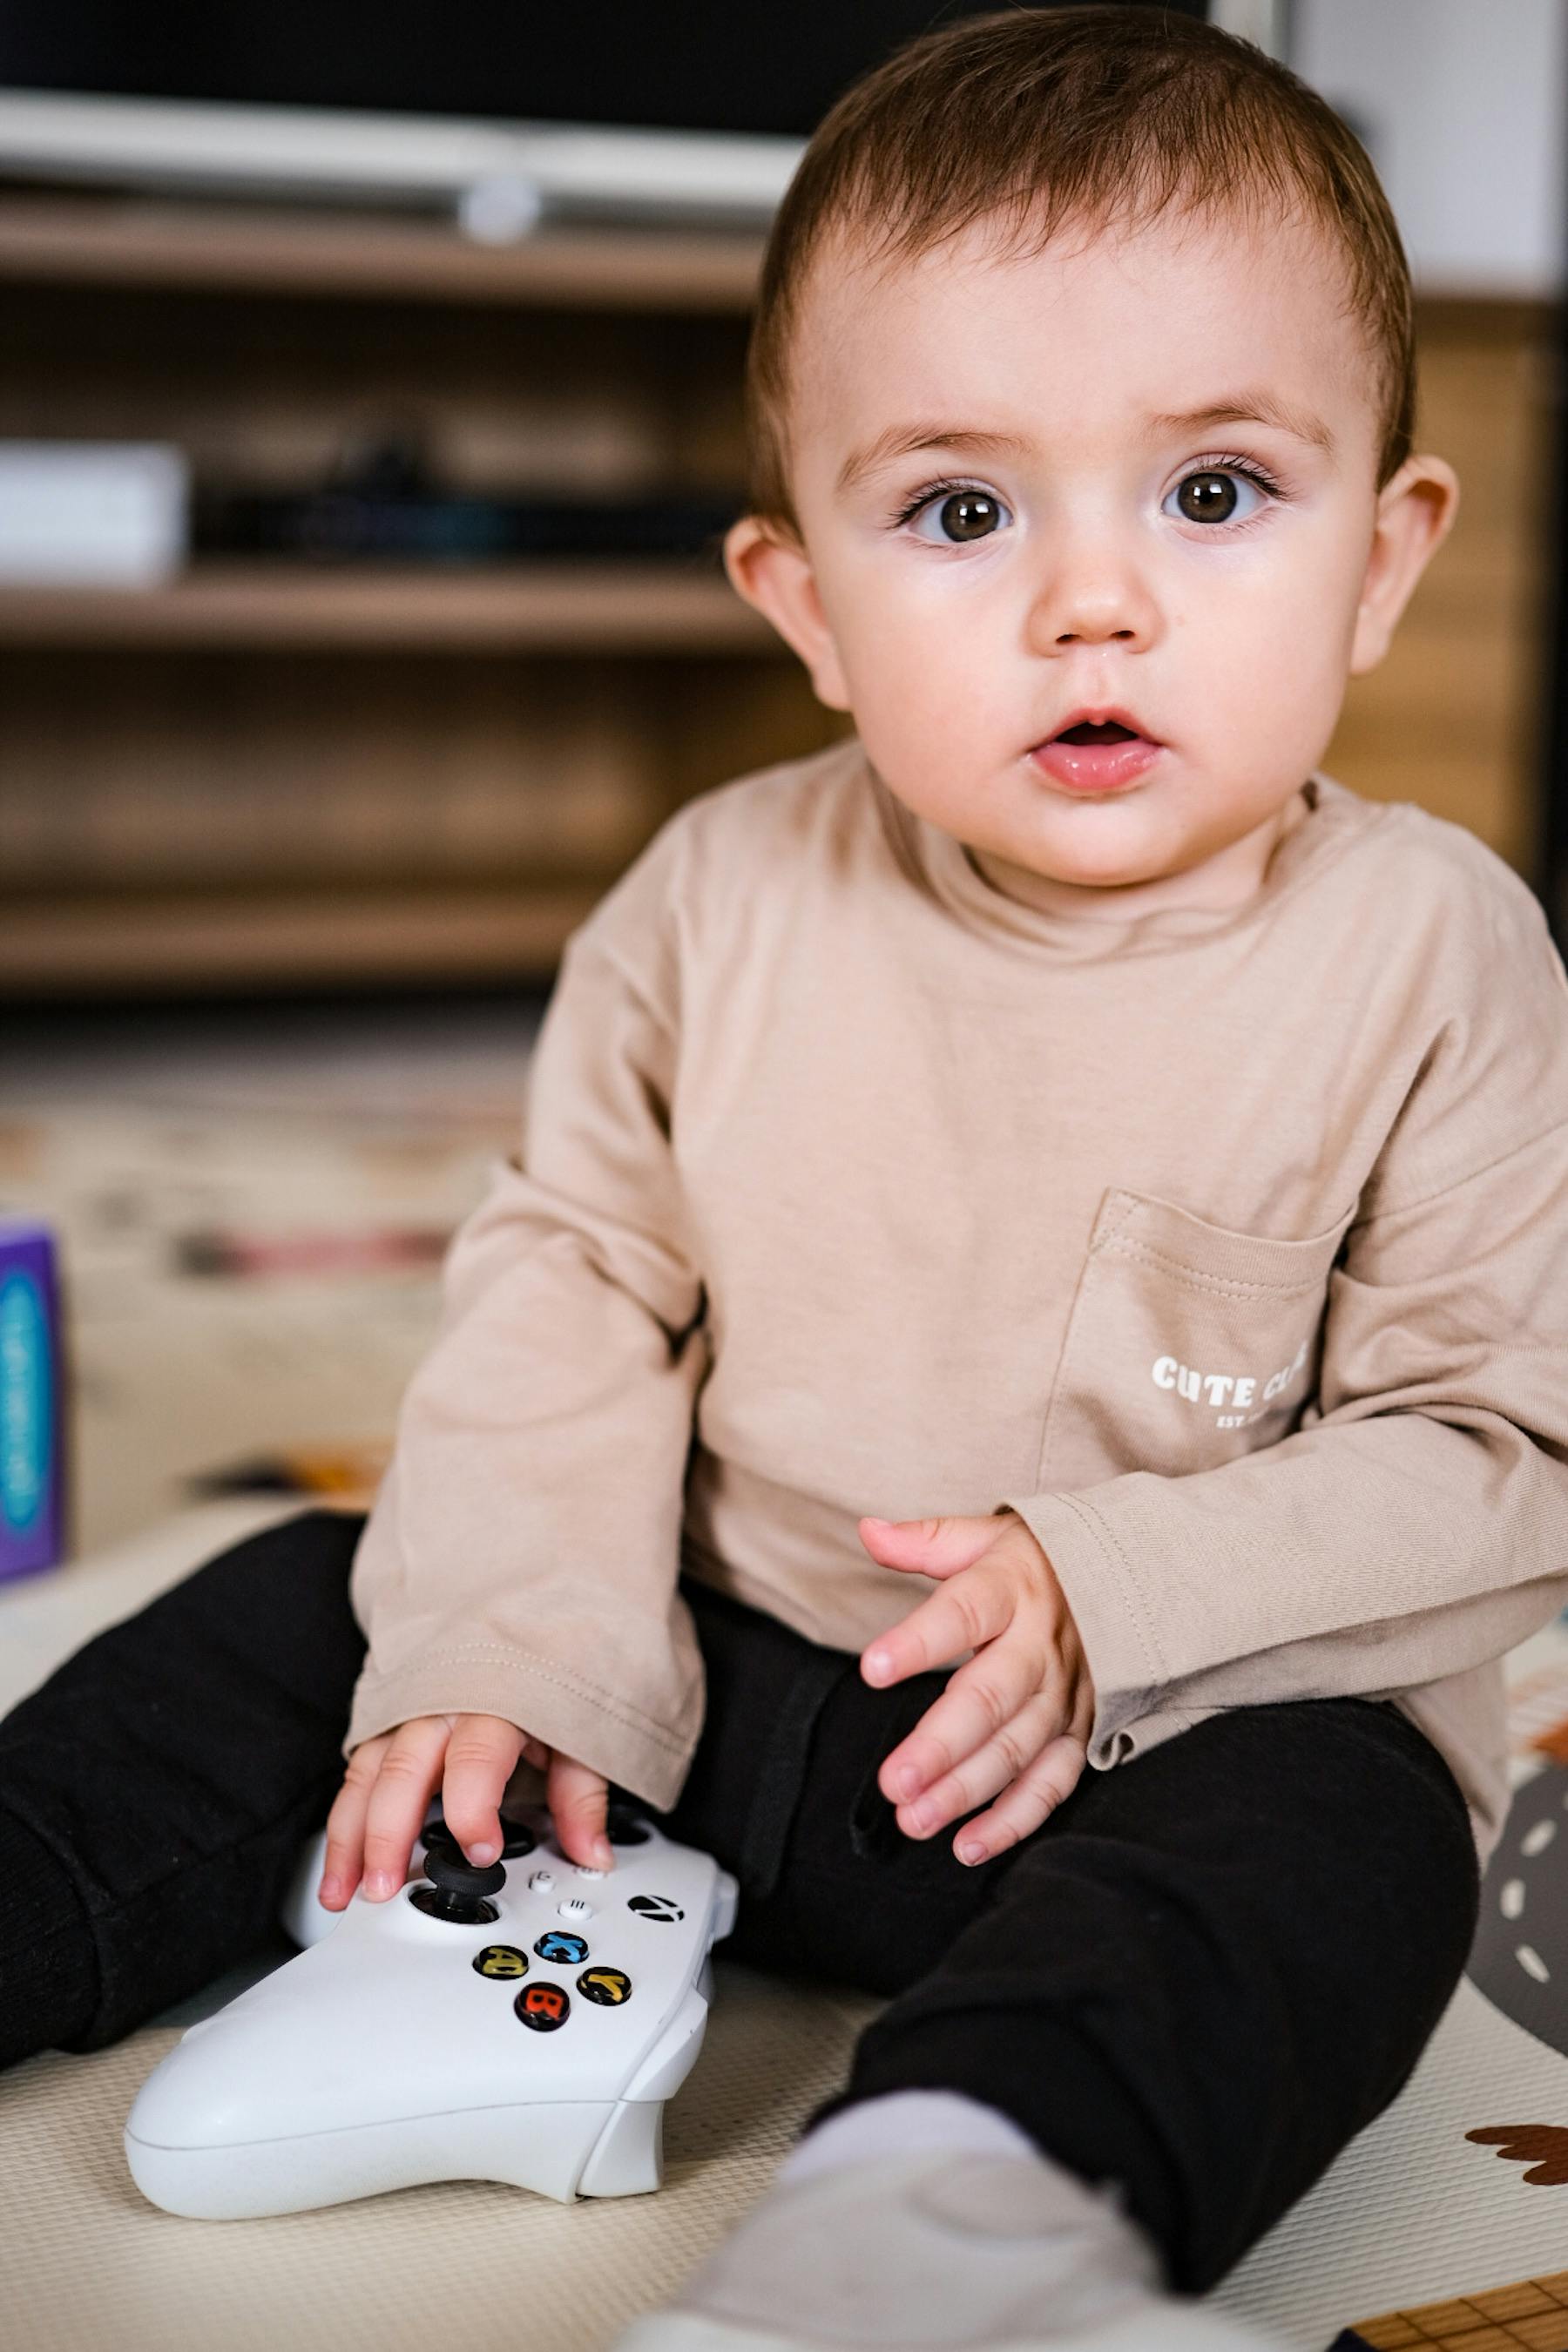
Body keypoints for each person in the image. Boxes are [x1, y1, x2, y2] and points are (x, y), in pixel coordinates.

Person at [4, 9, 1568, 2348]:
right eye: (961, 512)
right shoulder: (715, 895)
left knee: (1344, 1836)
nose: (1094, 600)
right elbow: (569, 1280)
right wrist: (509, 1650)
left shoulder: (1435, 952)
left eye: (1217, 490)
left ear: (1382, 556)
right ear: (807, 603)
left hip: (1120, 1747)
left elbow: (1504, 1443)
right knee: (325, 1593)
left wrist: (1113, 1588)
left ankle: (935, 2214)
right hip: (684, 1683)